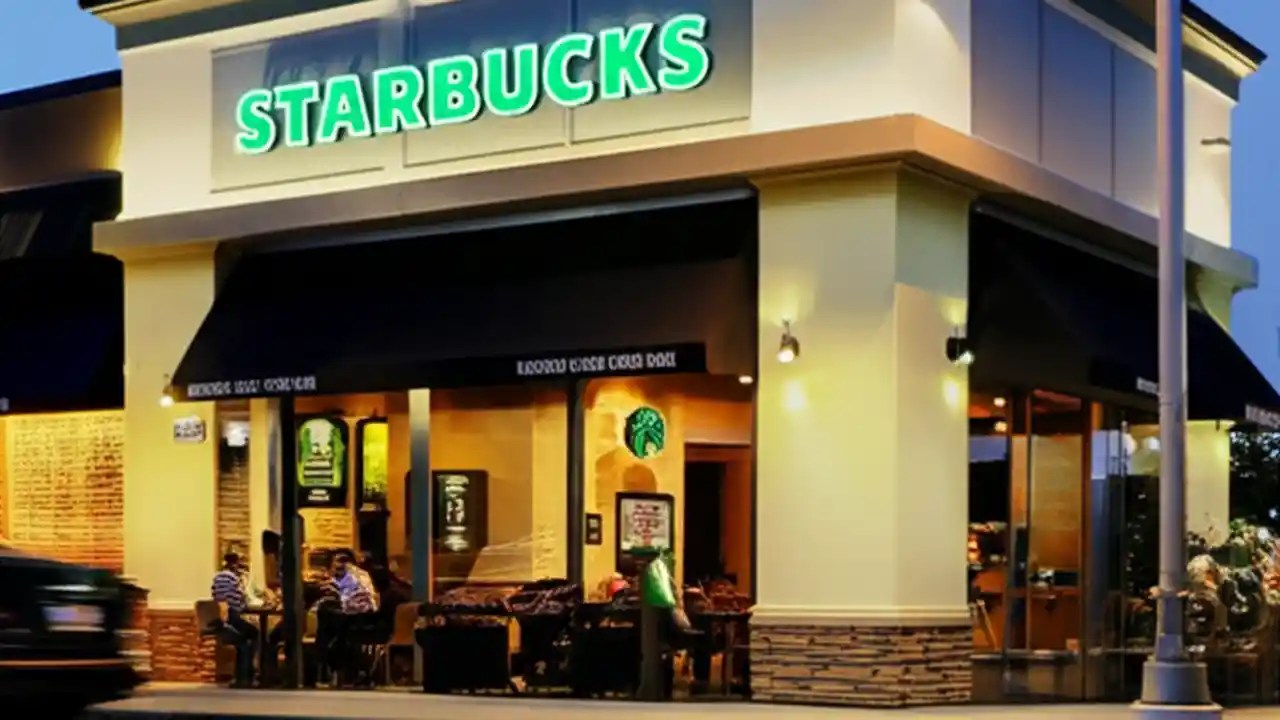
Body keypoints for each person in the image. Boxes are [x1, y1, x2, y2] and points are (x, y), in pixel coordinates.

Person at [313, 552, 380, 685]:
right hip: (364, 617)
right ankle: (333, 667)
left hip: (358, 619)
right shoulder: (361, 575)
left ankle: (323, 666)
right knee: (329, 623)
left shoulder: (353, 577)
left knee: (327, 623)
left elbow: (351, 603)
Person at [211, 551, 258, 687]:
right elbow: (239, 601)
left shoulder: (217, 577)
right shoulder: (233, 578)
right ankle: (247, 674)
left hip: (221, 619)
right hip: (231, 617)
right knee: (254, 634)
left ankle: (243, 675)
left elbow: (217, 596)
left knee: (246, 637)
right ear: (235, 564)